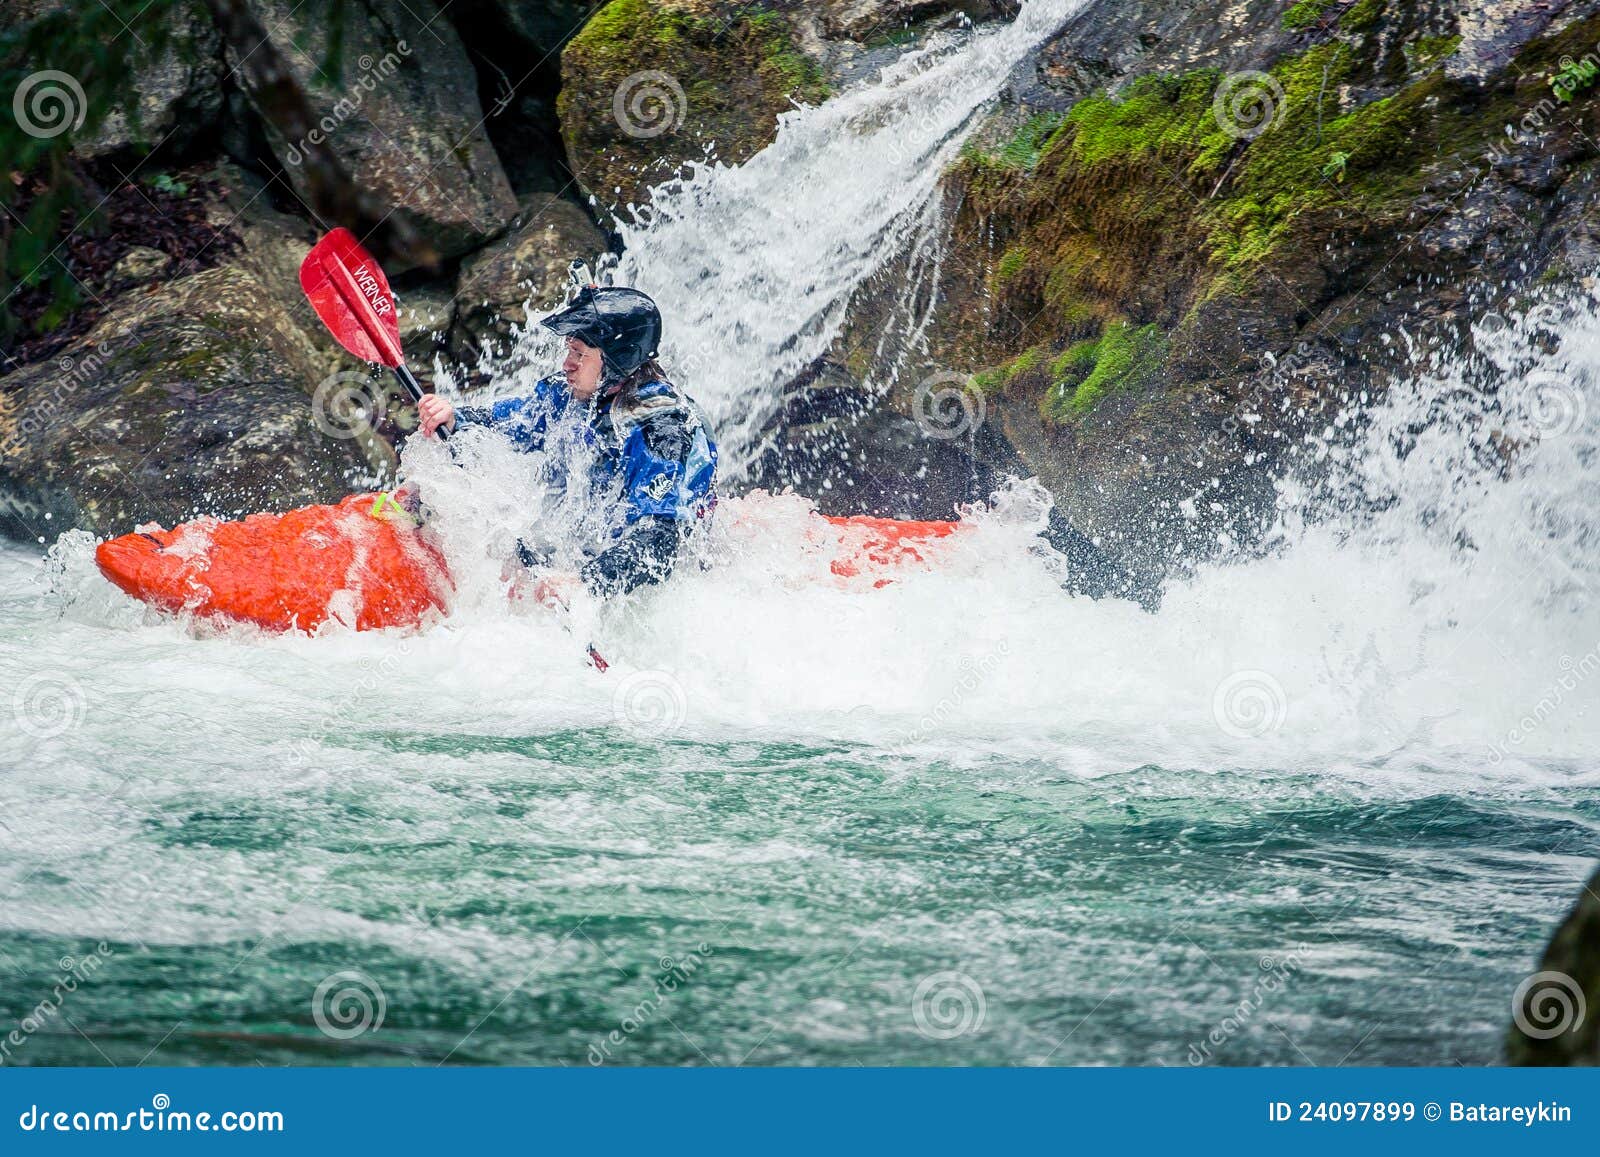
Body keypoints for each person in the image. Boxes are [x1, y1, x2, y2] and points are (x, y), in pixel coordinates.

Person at [417, 285, 717, 603]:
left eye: (579, 355)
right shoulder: (573, 394)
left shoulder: (661, 426)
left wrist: (586, 584)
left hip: (649, 583)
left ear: (617, 359)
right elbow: (514, 422)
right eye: (568, 351)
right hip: (583, 545)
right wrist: (453, 418)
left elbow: (662, 538)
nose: (567, 364)